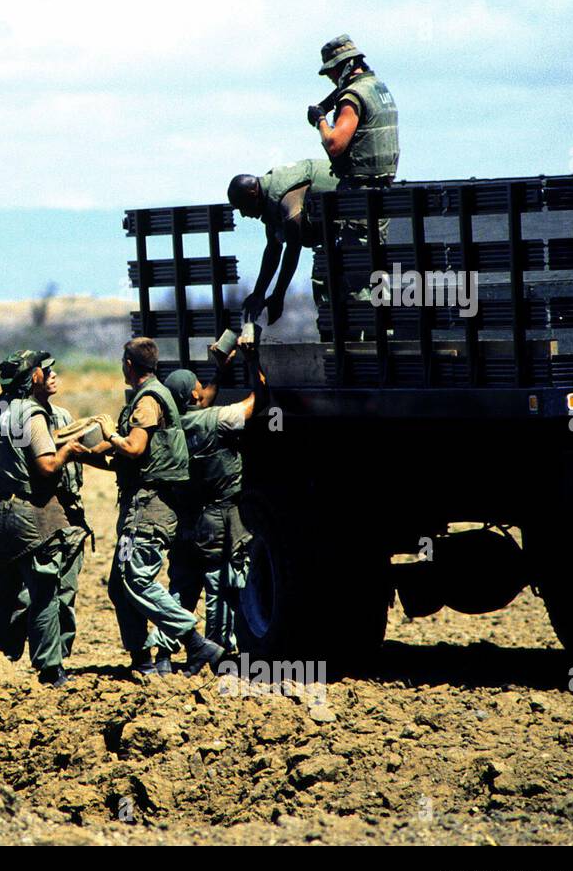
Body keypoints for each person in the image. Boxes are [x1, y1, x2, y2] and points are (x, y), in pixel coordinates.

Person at [80, 338, 225, 678]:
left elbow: (133, 447)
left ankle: (194, 640)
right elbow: (132, 460)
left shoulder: (147, 400)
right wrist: (82, 452)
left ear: (129, 365)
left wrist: (109, 434)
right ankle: (142, 659)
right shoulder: (154, 397)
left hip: (148, 508)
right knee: (120, 585)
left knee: (137, 579)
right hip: (142, 503)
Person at [0, 351, 88, 687]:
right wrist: (69, 451)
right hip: (27, 515)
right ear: (33, 378)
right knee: (45, 590)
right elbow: (46, 465)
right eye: (43, 371)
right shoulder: (31, 413)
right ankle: (51, 670)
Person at [164, 335, 269, 657]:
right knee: (220, 582)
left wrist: (219, 372)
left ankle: (164, 651)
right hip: (218, 518)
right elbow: (259, 400)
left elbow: (202, 402)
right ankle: (216, 648)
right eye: (199, 385)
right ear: (193, 395)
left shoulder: (171, 426)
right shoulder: (218, 420)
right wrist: (253, 361)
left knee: (181, 584)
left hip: (186, 517)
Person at [226, 159, 339, 326]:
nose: (243, 215)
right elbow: (273, 248)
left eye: (243, 207)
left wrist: (278, 295)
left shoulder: (286, 200)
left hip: (358, 217)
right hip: (337, 233)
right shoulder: (267, 196)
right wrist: (258, 293)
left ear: (253, 195)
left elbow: (293, 248)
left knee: (336, 285)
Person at [309, 34, 399, 192]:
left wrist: (320, 119)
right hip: (383, 184)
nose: (330, 77)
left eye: (331, 70)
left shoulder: (352, 96)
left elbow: (334, 144)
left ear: (344, 66)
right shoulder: (376, 87)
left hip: (359, 189)